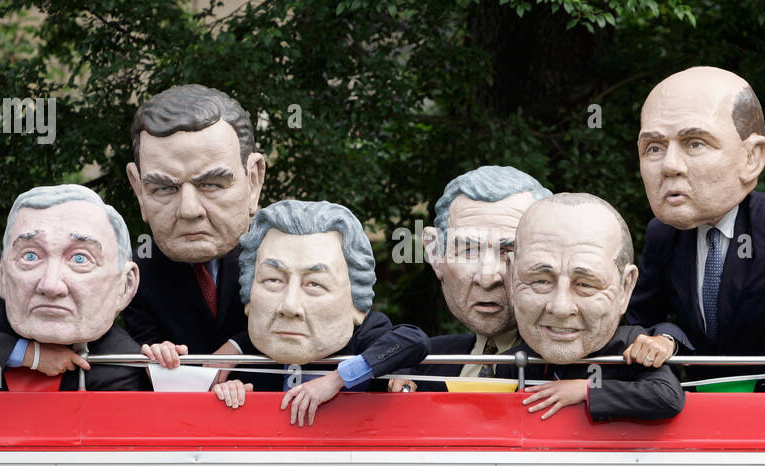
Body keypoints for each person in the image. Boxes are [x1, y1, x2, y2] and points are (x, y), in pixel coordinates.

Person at [626, 66, 765, 391]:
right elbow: (638, 318)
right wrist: (661, 339)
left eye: (694, 144)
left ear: (752, 157)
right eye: (654, 148)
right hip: (700, 404)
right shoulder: (664, 234)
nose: (670, 166)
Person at [214, 200, 429, 425]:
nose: (289, 306)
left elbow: (414, 341)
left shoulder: (366, 333)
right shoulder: (247, 350)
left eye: (314, 284)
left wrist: (336, 380)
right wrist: (230, 391)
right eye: (273, 280)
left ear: (355, 301)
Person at [0, 184, 148, 391]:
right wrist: (30, 355)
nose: (50, 285)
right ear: (2, 275)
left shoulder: (125, 362)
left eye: (80, 259)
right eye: (30, 256)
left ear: (125, 285)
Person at [498, 193, 685, 422]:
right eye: (541, 281)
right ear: (510, 278)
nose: (560, 307)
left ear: (625, 288)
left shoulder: (630, 347)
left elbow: (667, 397)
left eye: (585, 284)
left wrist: (586, 390)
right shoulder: (512, 360)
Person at [123, 84, 266, 366]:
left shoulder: (284, 258)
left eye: (211, 184)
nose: (189, 211)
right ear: (138, 188)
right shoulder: (135, 276)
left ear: (253, 181)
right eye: (164, 189)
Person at [390, 165, 550, 391]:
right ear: (435, 255)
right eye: (469, 250)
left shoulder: (583, 369)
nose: (487, 278)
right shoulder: (419, 363)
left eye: (509, 251)